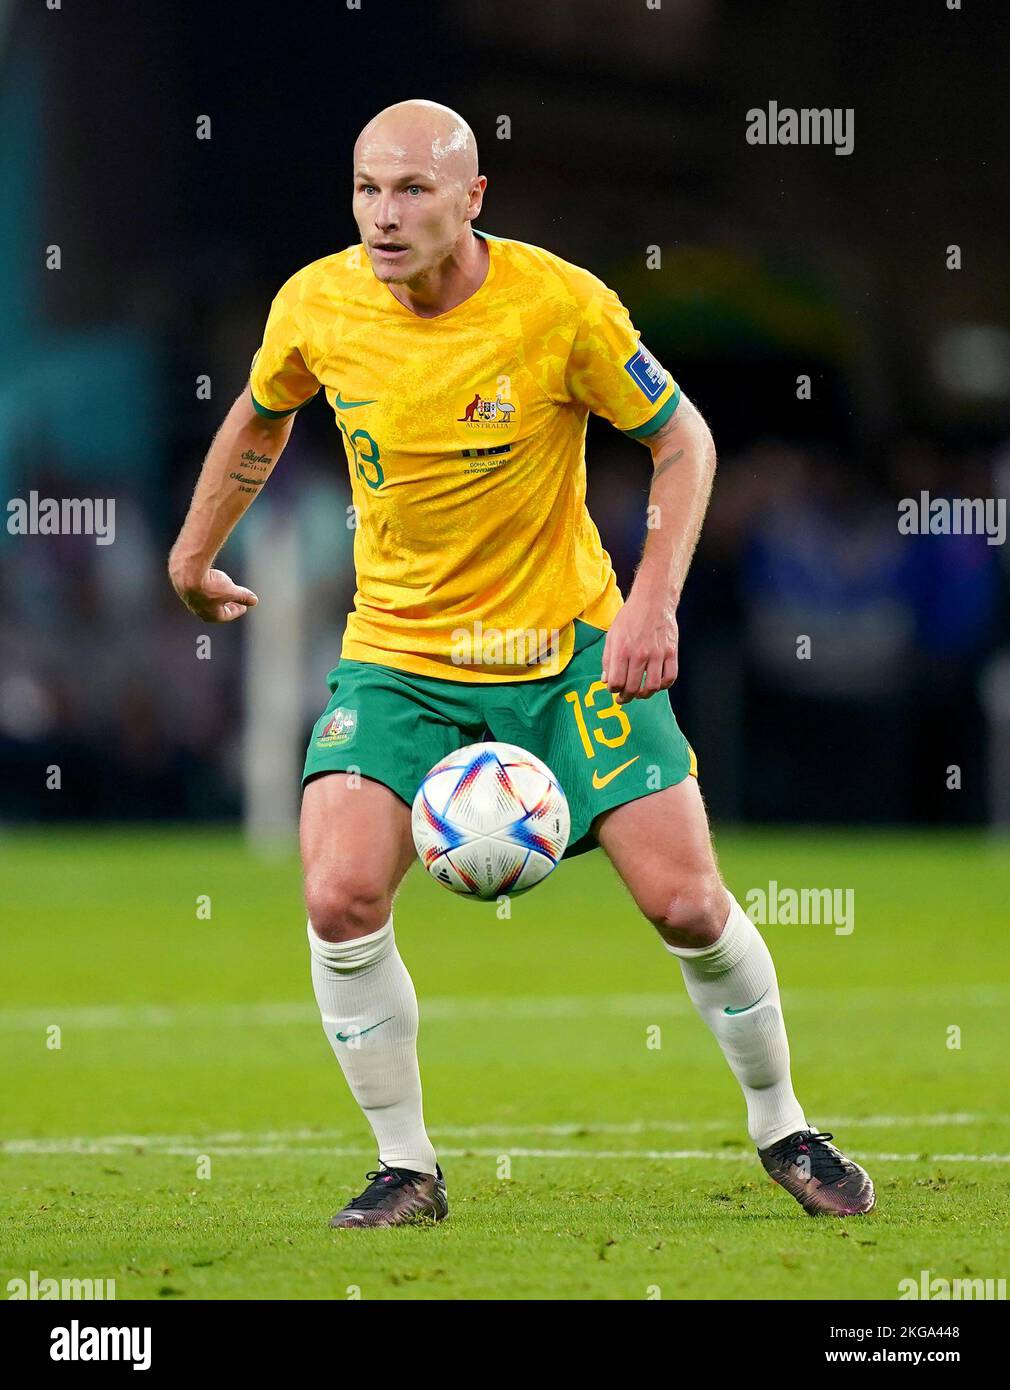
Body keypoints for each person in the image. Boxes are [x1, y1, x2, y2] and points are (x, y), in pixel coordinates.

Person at [168, 99, 875, 1228]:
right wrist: (195, 552)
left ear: (471, 197)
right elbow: (261, 418)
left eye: (410, 191)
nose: (382, 217)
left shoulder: (559, 305)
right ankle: (407, 1167)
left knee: (687, 904)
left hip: (566, 654)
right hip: (397, 656)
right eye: (365, 189)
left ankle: (782, 1122)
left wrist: (650, 602)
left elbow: (680, 440)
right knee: (338, 895)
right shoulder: (315, 301)